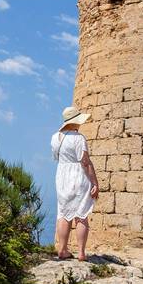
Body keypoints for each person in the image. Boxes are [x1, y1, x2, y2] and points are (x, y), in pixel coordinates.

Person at [51, 105, 99, 261]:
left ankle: (62, 249)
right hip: (78, 175)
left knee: (63, 213)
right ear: (75, 121)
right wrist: (94, 182)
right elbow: (85, 162)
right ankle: (81, 253)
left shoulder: (55, 137)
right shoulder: (79, 138)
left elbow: (57, 157)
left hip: (62, 176)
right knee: (81, 214)